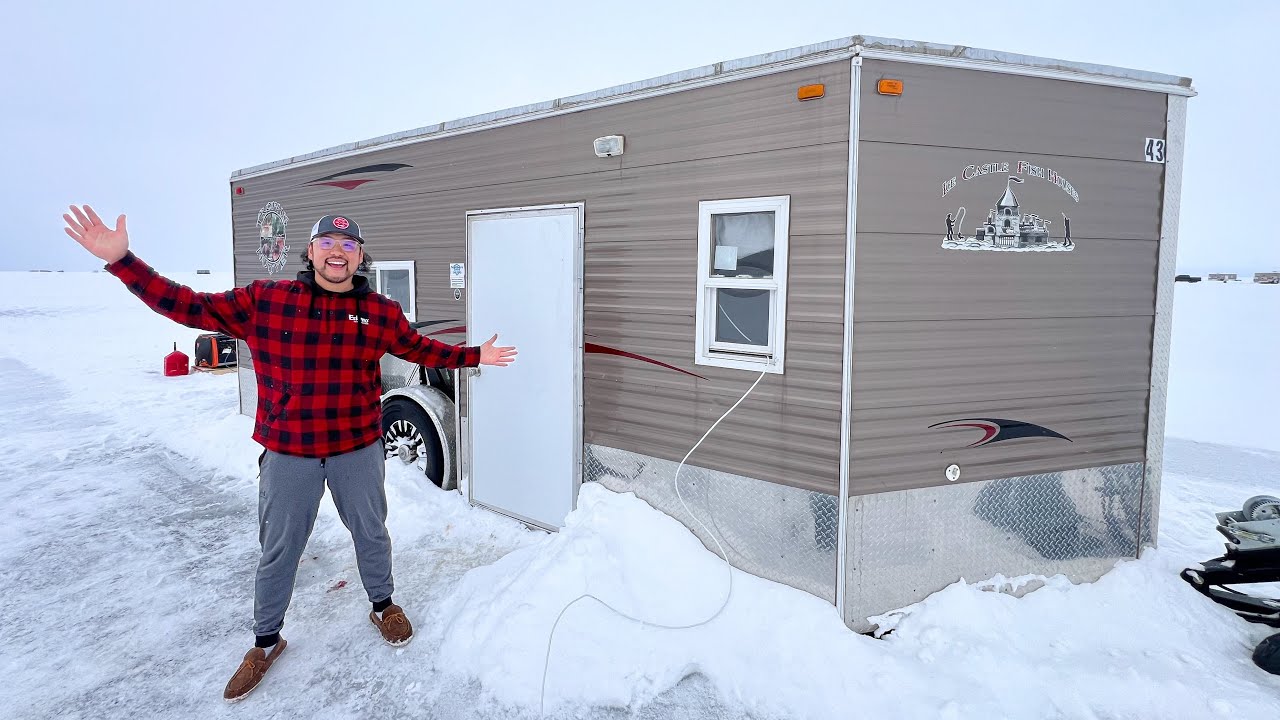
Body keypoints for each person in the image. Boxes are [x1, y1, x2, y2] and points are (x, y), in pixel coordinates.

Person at [62, 205, 517, 702]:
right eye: (327, 243)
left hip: (357, 449)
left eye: (348, 245)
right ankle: (265, 640)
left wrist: (476, 356)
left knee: (371, 531)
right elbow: (188, 305)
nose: (337, 252)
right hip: (289, 453)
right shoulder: (268, 300)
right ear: (311, 251)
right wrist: (122, 260)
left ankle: (383, 604)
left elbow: (420, 349)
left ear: (360, 255)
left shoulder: (380, 311)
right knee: (279, 549)